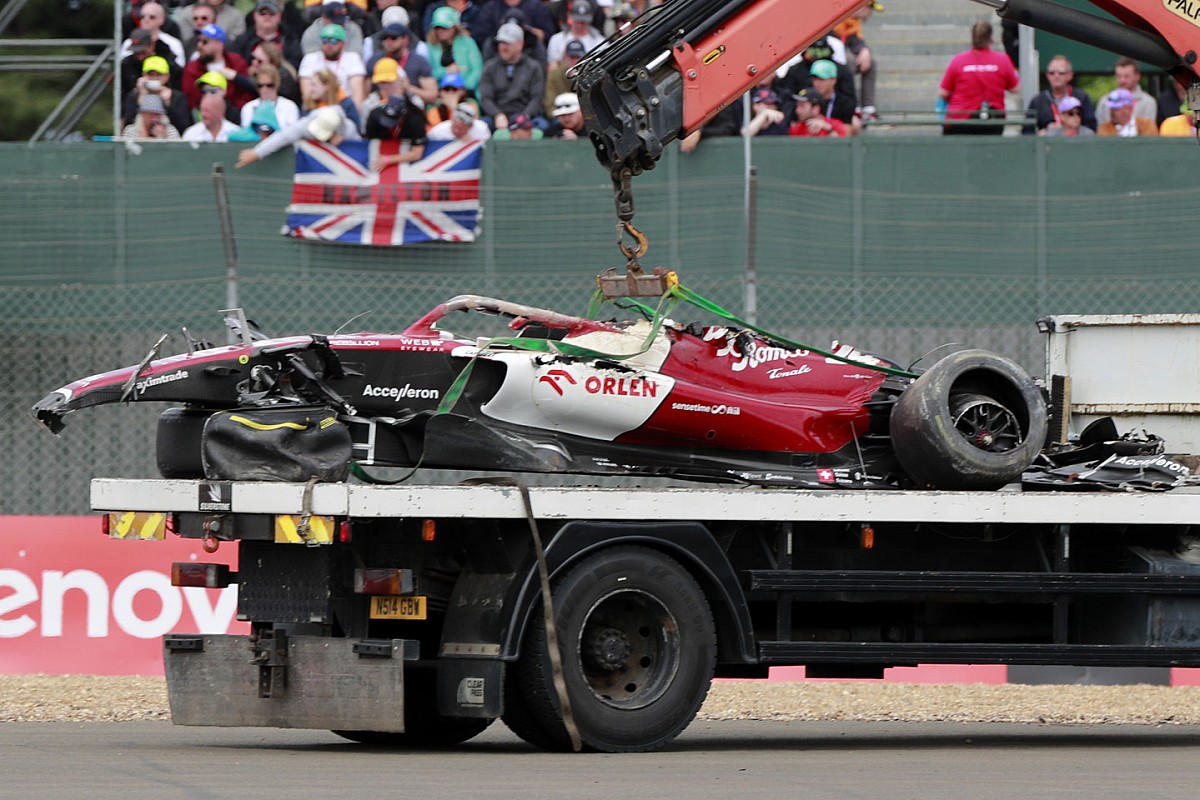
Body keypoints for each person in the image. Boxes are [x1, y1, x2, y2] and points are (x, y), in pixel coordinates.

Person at [937, 20, 1018, 136]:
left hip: (958, 122)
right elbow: (1015, 88)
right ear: (991, 38)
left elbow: (943, 92)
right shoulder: (1002, 60)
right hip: (991, 122)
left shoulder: (959, 60)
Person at [236, 104, 363, 168]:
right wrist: (257, 153)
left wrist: (345, 143)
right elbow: (283, 136)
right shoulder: (307, 123)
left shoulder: (349, 129)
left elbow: (360, 152)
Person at [478, 20, 545, 131]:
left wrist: (525, 116)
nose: (503, 47)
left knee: (542, 126)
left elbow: (537, 98)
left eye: (508, 43)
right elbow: (485, 98)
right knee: (481, 127)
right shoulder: (490, 67)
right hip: (497, 116)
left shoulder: (533, 67)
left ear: (520, 44)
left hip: (525, 115)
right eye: (501, 43)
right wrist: (497, 114)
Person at [182, 24, 253, 114]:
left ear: (219, 44)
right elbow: (191, 100)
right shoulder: (192, 69)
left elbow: (245, 96)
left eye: (205, 42)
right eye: (198, 41)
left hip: (235, 117)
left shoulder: (236, 63)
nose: (199, 45)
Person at [298, 24, 368, 111]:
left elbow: (357, 95)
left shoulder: (353, 59)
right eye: (325, 40)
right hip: (316, 107)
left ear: (343, 43)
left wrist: (352, 113)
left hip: (344, 106)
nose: (329, 44)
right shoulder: (310, 59)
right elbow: (307, 94)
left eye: (334, 41)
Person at [1023, 55, 1097, 135]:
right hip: (1047, 144)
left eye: (1061, 72)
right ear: (1047, 75)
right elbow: (1027, 132)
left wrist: (1070, 127)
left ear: (1070, 75)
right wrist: (1041, 133)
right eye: (1052, 73)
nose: (1056, 76)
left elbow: (1092, 126)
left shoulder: (1081, 97)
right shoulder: (1038, 100)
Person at [367, 22, 438, 104]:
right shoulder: (374, 61)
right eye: (385, 38)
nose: (388, 41)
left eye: (393, 38)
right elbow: (365, 94)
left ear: (406, 40)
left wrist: (408, 88)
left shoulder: (419, 62)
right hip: (380, 107)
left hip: (410, 108)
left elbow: (432, 96)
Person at [832, 1, 879, 120]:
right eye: (869, 9)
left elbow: (855, 40)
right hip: (828, 55)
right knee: (850, 61)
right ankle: (853, 107)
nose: (870, 13)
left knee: (870, 63)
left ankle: (868, 109)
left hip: (841, 56)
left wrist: (864, 50)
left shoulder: (854, 22)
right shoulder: (838, 16)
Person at [121, 55, 192, 134]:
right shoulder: (133, 96)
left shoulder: (177, 97)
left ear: (167, 76)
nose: (154, 78)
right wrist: (141, 98)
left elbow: (184, 128)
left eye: (159, 74)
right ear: (143, 75)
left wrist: (168, 103)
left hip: (169, 138)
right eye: (150, 74)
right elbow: (128, 125)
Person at [231, 0, 303, 72]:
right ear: (254, 15)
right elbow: (235, 66)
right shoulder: (242, 40)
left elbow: (295, 65)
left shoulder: (290, 39)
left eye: (272, 13)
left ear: (279, 16)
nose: (267, 16)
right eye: (262, 13)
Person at [364, 91, 428, 172]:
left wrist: (388, 160)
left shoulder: (415, 120)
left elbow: (417, 153)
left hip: (406, 147)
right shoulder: (375, 116)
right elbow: (368, 140)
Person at [425, 6, 485, 93]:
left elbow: (477, 70)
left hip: (466, 92)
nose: (440, 31)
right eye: (437, 28)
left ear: (454, 27)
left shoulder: (468, 42)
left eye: (444, 27)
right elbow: (427, 72)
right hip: (439, 93)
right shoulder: (430, 45)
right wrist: (445, 72)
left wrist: (464, 88)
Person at [473, 0, 557, 53]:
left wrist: (526, 29)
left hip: (529, 53)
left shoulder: (537, 6)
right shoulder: (490, 8)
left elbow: (547, 36)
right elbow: (481, 38)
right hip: (498, 56)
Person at [121, 3, 185, 70]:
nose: (146, 20)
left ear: (162, 19)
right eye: (142, 17)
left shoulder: (173, 43)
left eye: (152, 17)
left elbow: (179, 70)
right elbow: (124, 68)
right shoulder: (129, 42)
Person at [1096, 57, 1157, 126]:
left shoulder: (1148, 102)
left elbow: (1149, 132)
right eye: (1119, 76)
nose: (1122, 80)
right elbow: (1100, 130)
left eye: (1127, 76)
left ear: (1137, 76)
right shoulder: (1105, 101)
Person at [240, 63, 301, 129]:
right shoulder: (248, 108)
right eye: (260, 86)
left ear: (277, 84)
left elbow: (292, 134)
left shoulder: (289, 106)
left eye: (269, 85)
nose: (264, 89)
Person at [809, 59, 860, 134]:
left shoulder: (844, 102)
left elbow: (846, 132)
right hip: (810, 134)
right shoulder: (807, 98)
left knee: (855, 122)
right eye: (815, 79)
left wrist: (828, 127)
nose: (817, 83)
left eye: (821, 79)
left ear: (833, 80)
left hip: (833, 134)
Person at [546, 0, 603, 66]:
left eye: (583, 22)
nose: (579, 25)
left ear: (591, 17)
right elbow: (552, 70)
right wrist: (564, 62)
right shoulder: (556, 40)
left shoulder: (600, 42)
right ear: (569, 15)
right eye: (577, 21)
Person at [301, 1, 366, 55]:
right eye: (335, 22)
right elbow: (311, 60)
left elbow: (356, 56)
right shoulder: (311, 33)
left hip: (347, 68)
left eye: (341, 21)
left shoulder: (353, 29)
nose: (339, 25)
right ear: (324, 18)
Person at [250, 41, 302, 106]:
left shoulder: (284, 75)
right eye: (253, 58)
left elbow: (253, 85)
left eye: (259, 61)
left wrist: (237, 77)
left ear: (273, 63)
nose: (255, 63)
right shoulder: (255, 73)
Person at [177, 0, 246, 45]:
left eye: (204, 18)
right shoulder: (187, 13)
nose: (199, 21)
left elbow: (235, 45)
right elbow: (186, 44)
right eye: (196, 19)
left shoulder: (237, 16)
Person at [544, 38, 585, 114]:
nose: (575, 61)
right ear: (566, 57)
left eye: (578, 57)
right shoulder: (555, 75)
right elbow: (550, 105)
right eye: (572, 57)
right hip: (560, 115)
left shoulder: (590, 73)